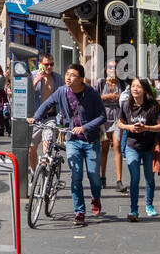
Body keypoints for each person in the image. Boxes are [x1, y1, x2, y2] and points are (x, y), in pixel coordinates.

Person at [29, 62, 105, 225]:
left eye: (73, 75)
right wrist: (36, 117)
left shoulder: (91, 94)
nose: (68, 78)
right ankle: (79, 211)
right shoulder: (62, 91)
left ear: (81, 79)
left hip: (91, 141)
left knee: (93, 177)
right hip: (73, 141)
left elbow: (102, 117)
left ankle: (95, 197)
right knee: (76, 176)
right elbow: (47, 104)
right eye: (67, 74)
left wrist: (84, 127)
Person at [118, 77, 160, 222]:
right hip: (132, 146)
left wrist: (146, 128)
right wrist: (129, 127)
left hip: (149, 147)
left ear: (144, 89)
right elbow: (120, 123)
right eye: (133, 86)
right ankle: (133, 210)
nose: (135, 89)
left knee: (149, 178)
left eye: (138, 86)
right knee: (134, 178)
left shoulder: (152, 106)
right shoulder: (126, 105)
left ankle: (149, 205)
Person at [28, 54, 60, 173]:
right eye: (46, 64)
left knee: (47, 147)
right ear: (40, 64)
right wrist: (36, 81)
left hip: (50, 117)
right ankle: (33, 172)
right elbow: (25, 94)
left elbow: (61, 96)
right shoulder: (32, 75)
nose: (49, 67)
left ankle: (44, 172)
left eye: (52, 64)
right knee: (32, 149)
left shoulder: (57, 78)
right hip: (35, 117)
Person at [99, 62, 127, 191]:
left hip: (117, 117)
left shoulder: (122, 84)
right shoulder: (100, 83)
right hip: (103, 118)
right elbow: (93, 98)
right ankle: (102, 177)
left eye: (116, 67)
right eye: (111, 67)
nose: (113, 70)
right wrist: (107, 96)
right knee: (104, 148)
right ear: (106, 70)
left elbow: (127, 99)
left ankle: (119, 180)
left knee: (117, 146)